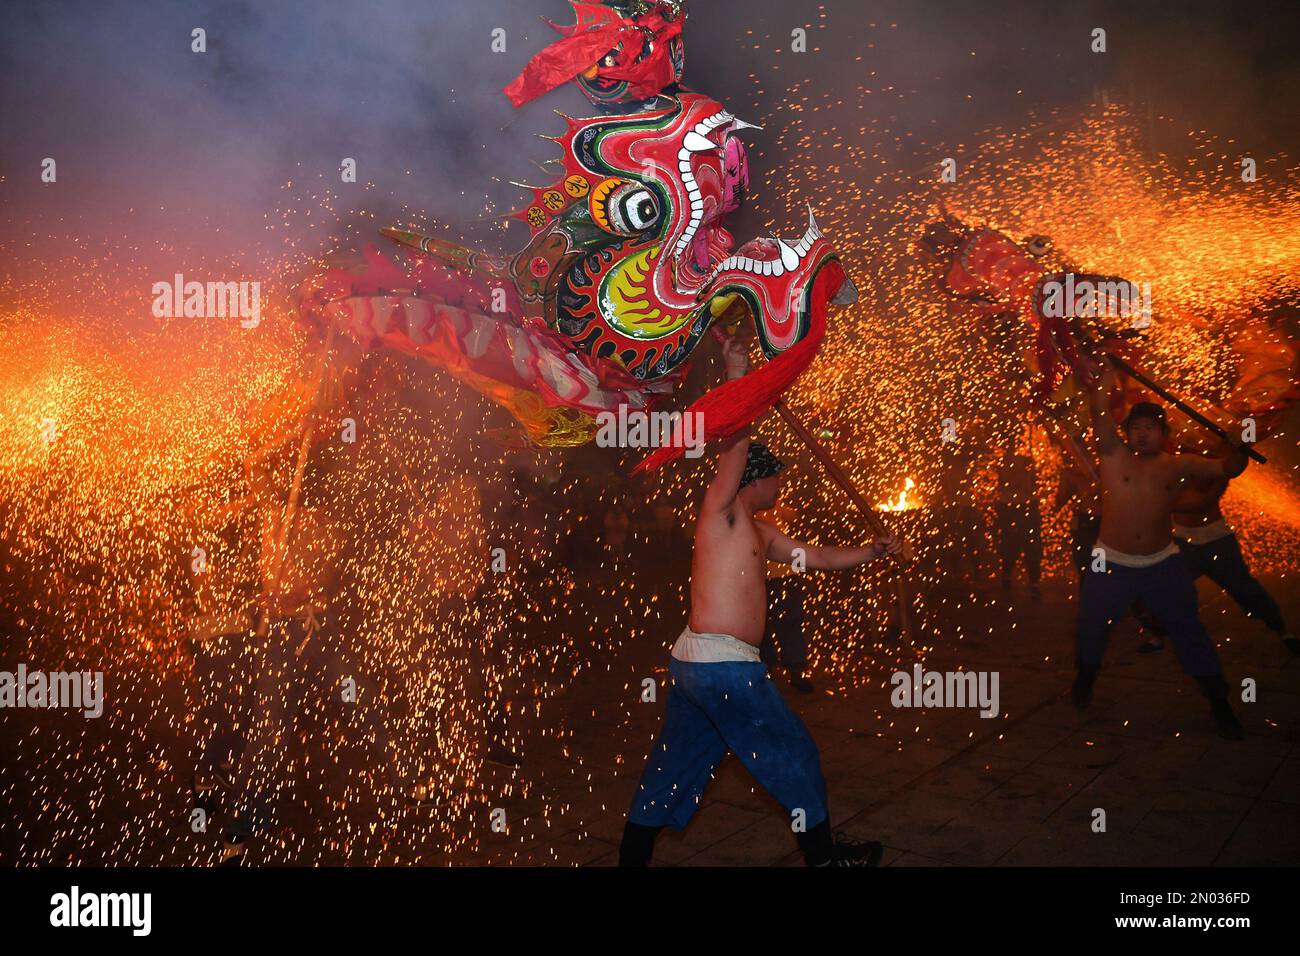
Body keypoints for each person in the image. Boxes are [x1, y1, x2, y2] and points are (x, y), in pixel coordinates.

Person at [619, 331, 903, 867]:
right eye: (776, 478)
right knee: (792, 755)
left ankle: (630, 861)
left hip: (700, 667)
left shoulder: (759, 529)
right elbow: (737, 443)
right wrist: (740, 373)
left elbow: (815, 557)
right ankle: (824, 860)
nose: (781, 486)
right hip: (725, 669)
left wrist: (872, 551)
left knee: (672, 770)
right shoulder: (721, 512)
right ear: (757, 479)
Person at [1072, 360, 1249, 739]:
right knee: (1091, 624)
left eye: (1149, 428)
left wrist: (1241, 443)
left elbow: (1228, 468)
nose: (1141, 435)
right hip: (1111, 560)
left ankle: (1219, 702)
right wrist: (1103, 375)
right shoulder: (1112, 455)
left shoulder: (1177, 464)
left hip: (1162, 563)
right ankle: (1086, 676)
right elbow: (1097, 410)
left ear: (1163, 434)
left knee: (1189, 631)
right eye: (1135, 428)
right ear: (1126, 433)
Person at [1135, 444, 1297, 655]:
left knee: (1246, 590)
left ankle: (1282, 631)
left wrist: (1239, 448)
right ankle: (1157, 635)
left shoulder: (1215, 471)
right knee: (1156, 588)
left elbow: (1203, 503)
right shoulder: (1172, 471)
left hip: (1217, 542)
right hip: (1183, 543)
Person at [994, 446, 1042, 599]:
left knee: (1030, 543)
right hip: (1010, 506)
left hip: (1024, 505)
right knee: (1010, 542)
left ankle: (1033, 580)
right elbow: (1004, 483)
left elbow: (1033, 483)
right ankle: (1008, 576)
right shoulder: (1003, 462)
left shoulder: (1026, 460)